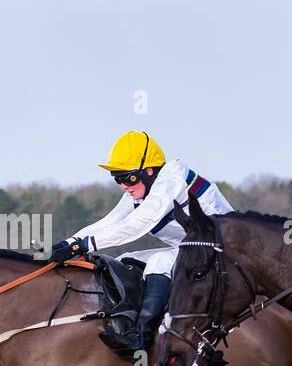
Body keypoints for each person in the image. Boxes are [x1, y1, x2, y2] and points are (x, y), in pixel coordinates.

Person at [48, 130, 233, 353]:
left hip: (223, 250)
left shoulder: (172, 180)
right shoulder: (141, 189)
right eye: (118, 178)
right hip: (191, 248)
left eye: (128, 177)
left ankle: (142, 336)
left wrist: (82, 246)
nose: (123, 185)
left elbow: (136, 225)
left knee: (159, 262)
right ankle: (125, 323)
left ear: (149, 171)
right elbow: (111, 221)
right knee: (123, 260)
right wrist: (69, 242)